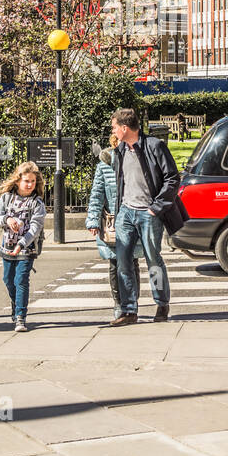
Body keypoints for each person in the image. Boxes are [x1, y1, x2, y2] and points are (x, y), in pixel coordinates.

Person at [110, 106, 187, 326]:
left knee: (153, 260)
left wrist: (156, 207)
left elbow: (172, 178)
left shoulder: (154, 146)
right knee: (123, 262)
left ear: (125, 128)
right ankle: (129, 310)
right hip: (126, 211)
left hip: (148, 213)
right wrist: (118, 212)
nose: (113, 131)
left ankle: (162, 304)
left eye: (115, 127)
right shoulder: (121, 149)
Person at [86, 131, 143, 320]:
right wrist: (93, 219)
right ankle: (118, 303)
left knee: (132, 262)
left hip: (133, 217)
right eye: (120, 141)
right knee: (115, 263)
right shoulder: (105, 164)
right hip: (112, 221)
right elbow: (97, 193)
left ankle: (132, 303)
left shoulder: (137, 160)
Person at [0, 161, 46, 332]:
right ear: (17, 181)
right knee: (8, 280)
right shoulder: (7, 198)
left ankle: (20, 317)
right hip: (8, 245)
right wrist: (7, 220)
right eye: (26, 181)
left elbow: (35, 228)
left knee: (21, 279)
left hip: (27, 247)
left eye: (33, 181)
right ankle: (16, 302)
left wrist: (22, 244)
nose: (30, 184)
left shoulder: (37, 203)